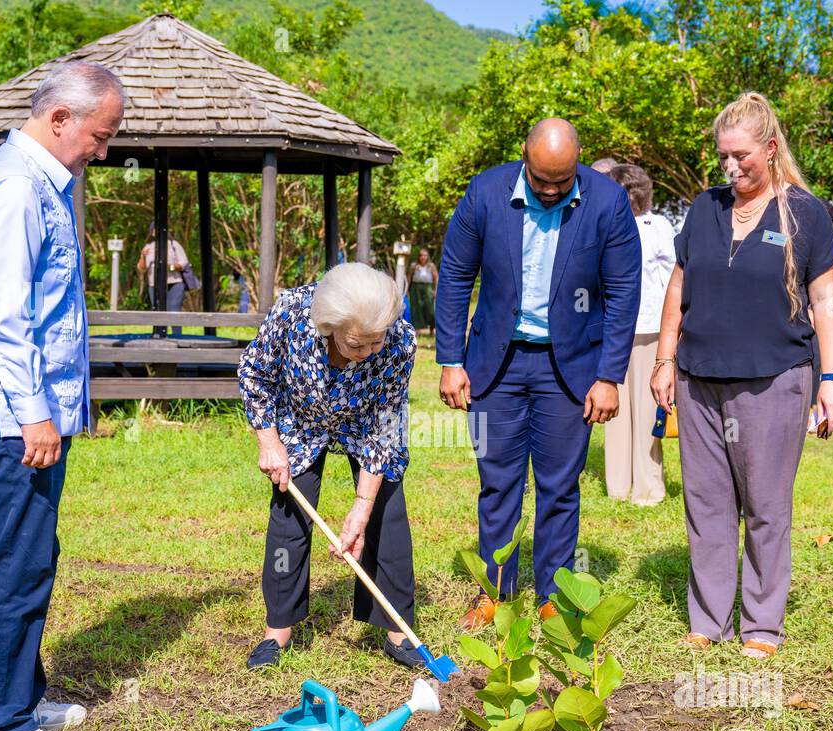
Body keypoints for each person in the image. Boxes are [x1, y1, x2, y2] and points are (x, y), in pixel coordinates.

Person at [0, 62, 125, 731]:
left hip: (23, 416)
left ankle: (23, 695)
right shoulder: (18, 189)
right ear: (60, 120)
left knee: (32, 556)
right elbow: (5, 318)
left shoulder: (41, 184)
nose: (102, 151)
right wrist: (35, 414)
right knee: (12, 565)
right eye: (100, 136)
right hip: (8, 422)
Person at [650, 91, 833, 660]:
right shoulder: (704, 207)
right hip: (698, 377)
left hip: (774, 379)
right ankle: (708, 618)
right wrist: (665, 361)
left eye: (742, 156)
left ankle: (761, 624)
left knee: (765, 504)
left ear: (770, 147)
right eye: (723, 157)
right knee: (706, 503)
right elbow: (679, 289)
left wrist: (831, 376)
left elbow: (825, 300)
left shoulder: (805, 213)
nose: (731, 167)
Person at [436, 118, 640, 630]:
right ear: (523, 156)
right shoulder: (484, 193)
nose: (550, 191)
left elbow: (623, 292)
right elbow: (456, 276)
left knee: (559, 485)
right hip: (495, 365)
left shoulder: (609, 202)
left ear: (577, 166)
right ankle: (495, 592)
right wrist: (450, 361)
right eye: (542, 180)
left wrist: (610, 375)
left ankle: (553, 595)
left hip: (570, 367)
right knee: (497, 481)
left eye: (562, 181)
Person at [238, 262, 421, 670]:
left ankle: (397, 629)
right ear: (328, 326)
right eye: (357, 344)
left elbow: (385, 421)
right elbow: (255, 374)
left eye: (375, 342)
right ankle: (278, 630)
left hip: (366, 422)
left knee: (386, 513)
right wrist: (268, 441)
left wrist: (362, 503)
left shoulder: (399, 342)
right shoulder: (291, 315)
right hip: (302, 418)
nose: (368, 353)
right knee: (290, 516)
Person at [603, 162, 676, 506]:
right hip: (613, 330)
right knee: (614, 411)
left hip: (649, 328)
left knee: (648, 410)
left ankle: (647, 488)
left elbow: (674, 275)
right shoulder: (604, 226)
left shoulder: (657, 226)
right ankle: (617, 485)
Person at [137, 223, 190, 335]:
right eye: (154, 230)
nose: (157, 232)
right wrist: (143, 256)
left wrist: (169, 267)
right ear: (152, 232)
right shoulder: (148, 247)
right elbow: (142, 269)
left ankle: (177, 336)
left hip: (174, 284)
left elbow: (184, 263)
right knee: (157, 311)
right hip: (154, 285)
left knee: (174, 311)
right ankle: (159, 336)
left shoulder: (174, 245)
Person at [407, 248, 438, 332]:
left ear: (427, 256)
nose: (423, 257)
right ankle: (417, 329)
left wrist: (435, 290)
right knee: (416, 308)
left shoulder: (431, 266)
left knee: (429, 308)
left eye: (425, 255)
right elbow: (409, 278)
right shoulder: (414, 266)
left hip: (427, 287)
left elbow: (436, 278)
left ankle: (432, 328)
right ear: (419, 257)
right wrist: (407, 290)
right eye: (421, 255)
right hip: (415, 287)